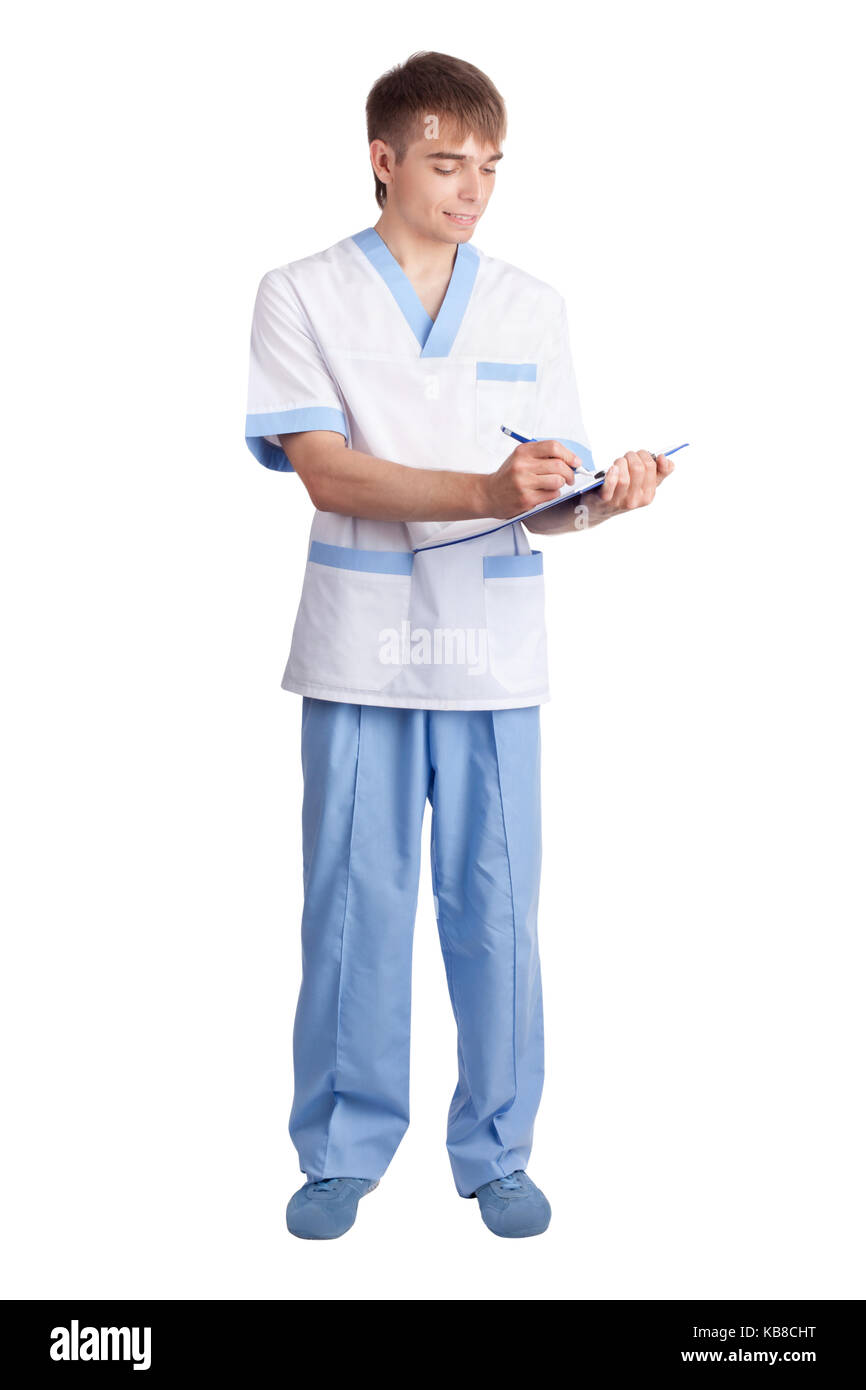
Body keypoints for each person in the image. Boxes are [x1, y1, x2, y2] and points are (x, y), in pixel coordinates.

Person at [244, 51, 674, 1241]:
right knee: (352, 905)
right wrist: (487, 482)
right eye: (445, 162)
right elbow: (320, 468)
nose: (472, 185)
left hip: (490, 653)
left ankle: (496, 1149)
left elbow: (547, 488)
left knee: (493, 908)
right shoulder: (301, 293)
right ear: (382, 161)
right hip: (357, 648)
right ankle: (340, 1147)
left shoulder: (531, 303)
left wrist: (605, 494)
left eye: (488, 164)